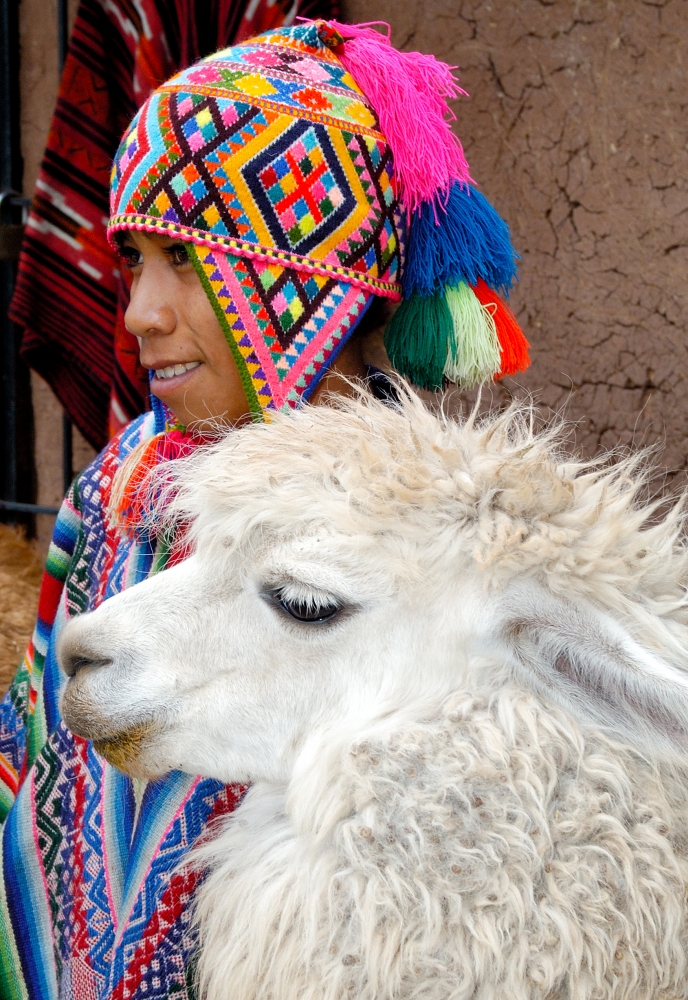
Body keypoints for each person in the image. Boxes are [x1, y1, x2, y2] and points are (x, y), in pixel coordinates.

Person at [0, 20, 529, 998]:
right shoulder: (114, 493)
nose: (138, 314)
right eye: (131, 264)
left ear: (292, 283)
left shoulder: (413, 548)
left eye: (184, 262)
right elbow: (32, 754)